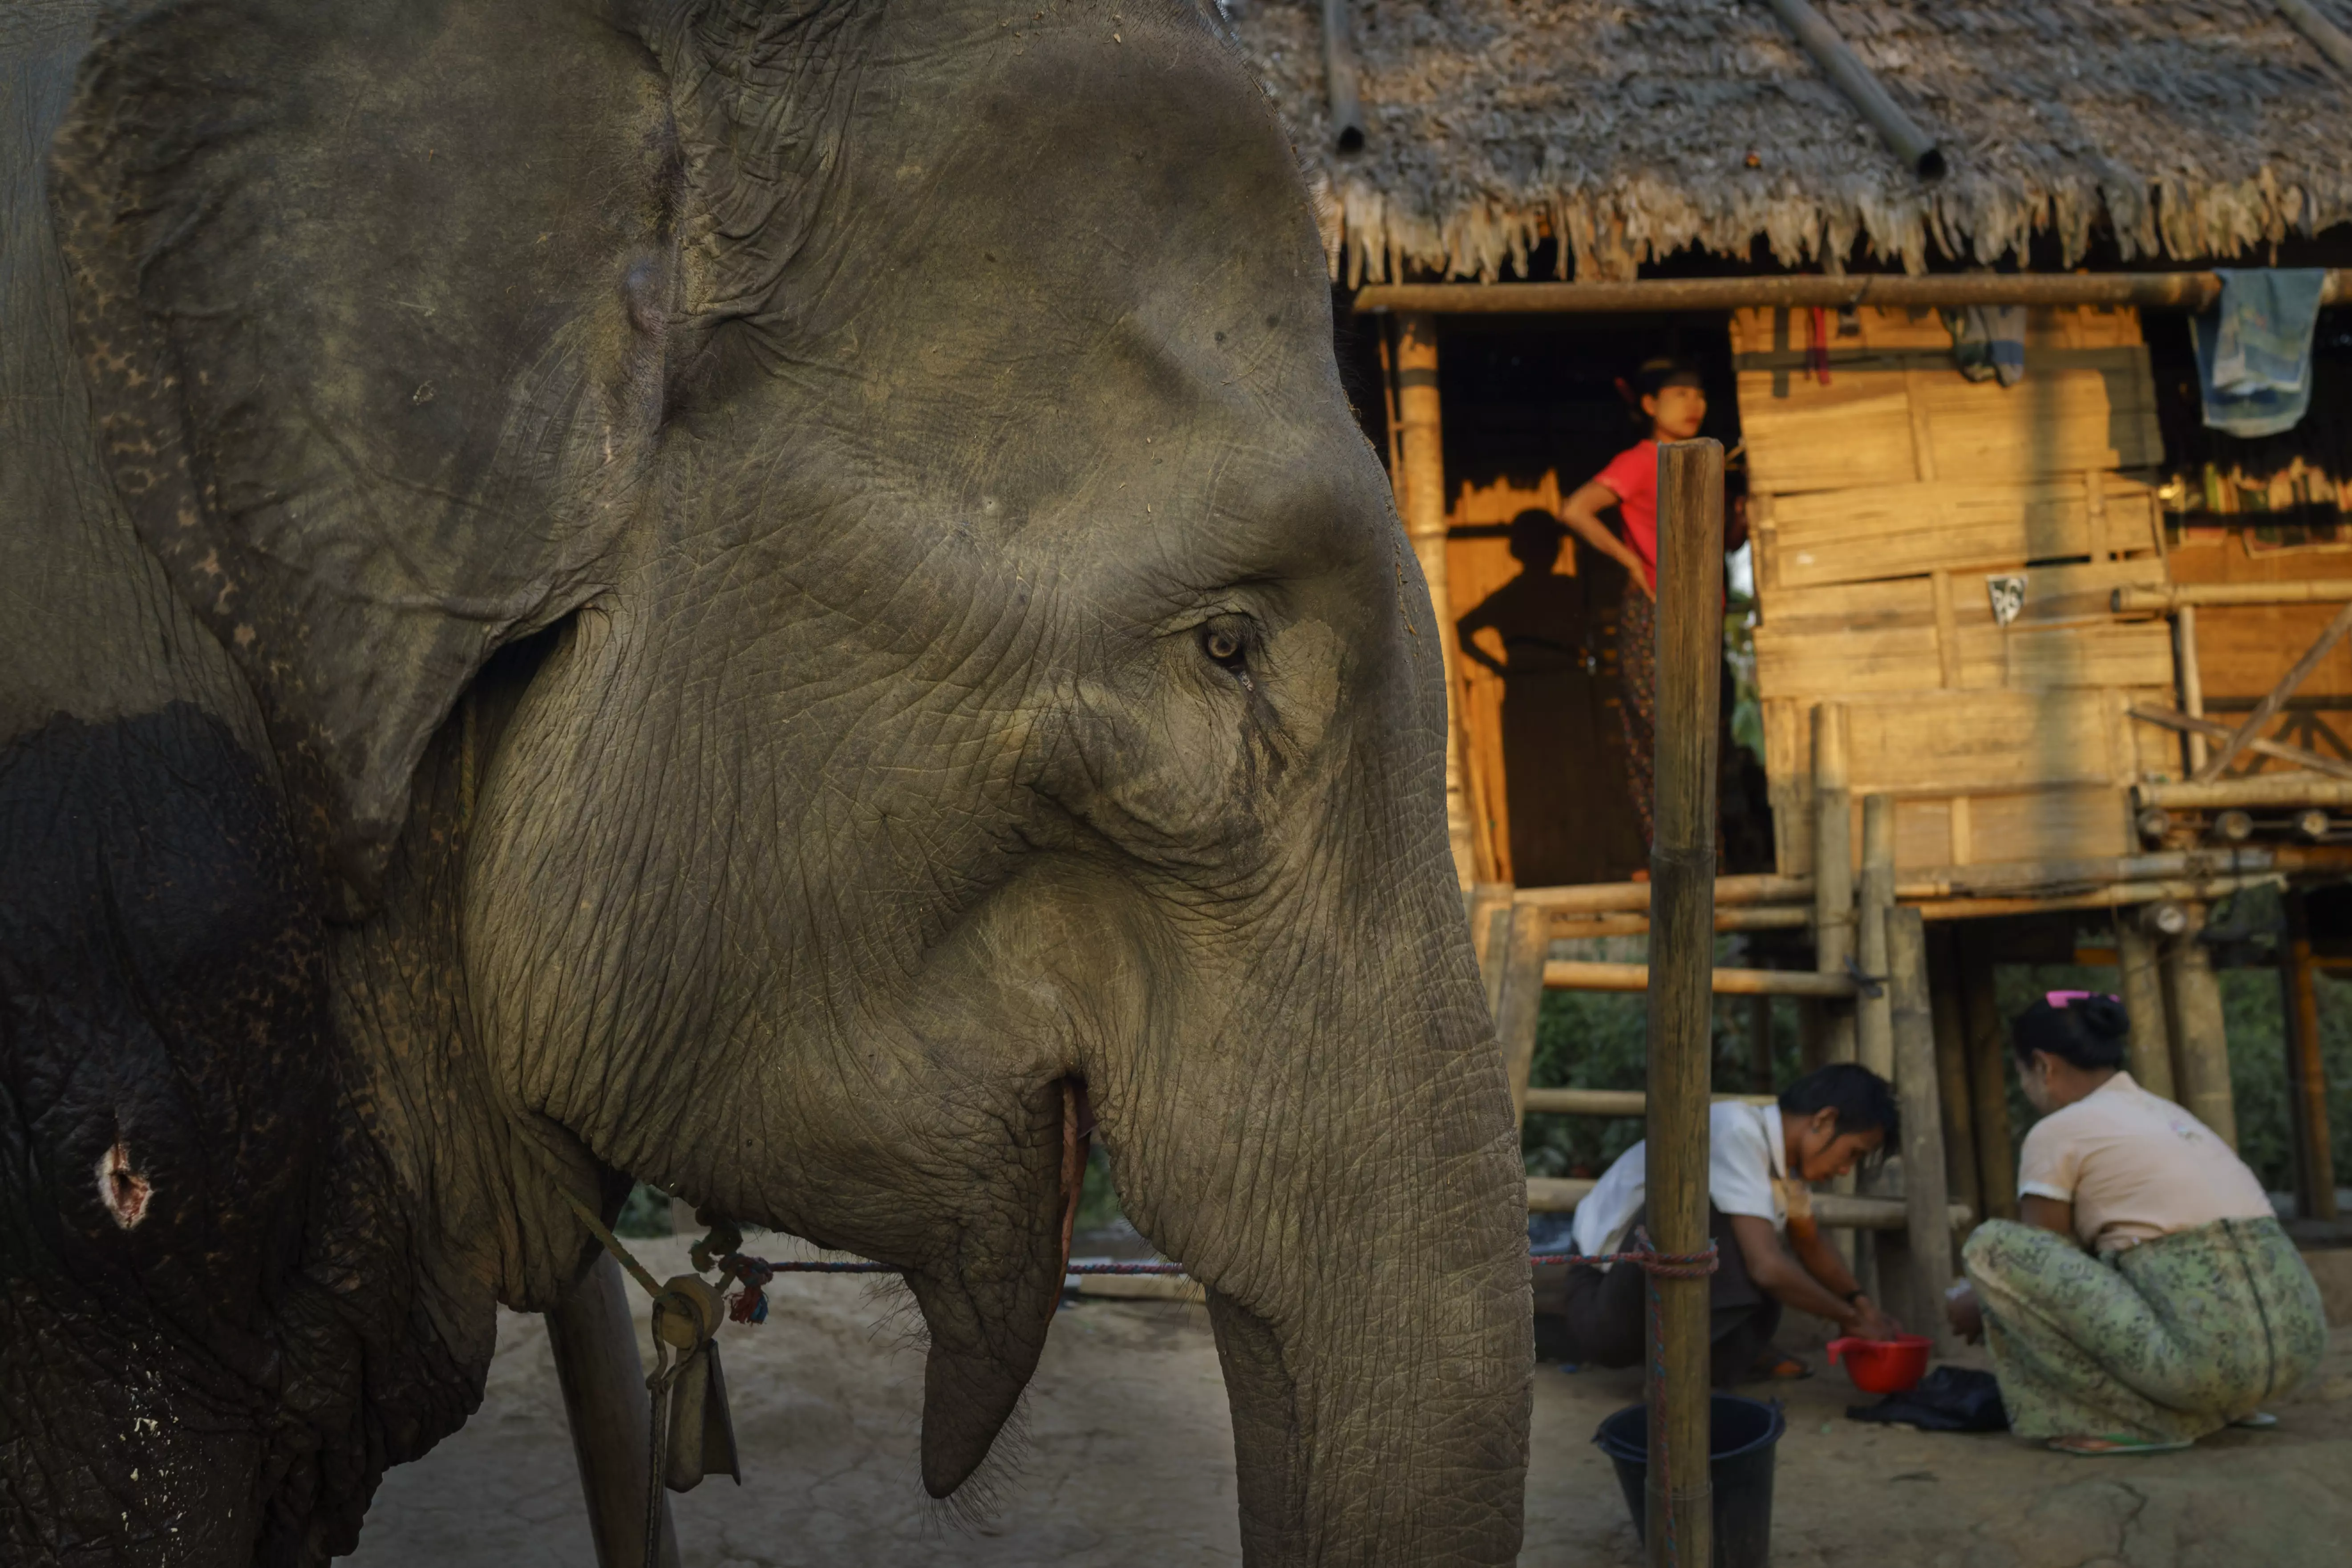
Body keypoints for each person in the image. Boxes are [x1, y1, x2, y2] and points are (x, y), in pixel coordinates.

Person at [1946, 992, 2327, 1455]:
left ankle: (2133, 1419)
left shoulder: (2057, 1129)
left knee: (1992, 1248)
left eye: (2021, 1072)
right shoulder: (2170, 1114)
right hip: (2296, 1349)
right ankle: (2230, 1405)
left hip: (2205, 1364)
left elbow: (2039, 1257)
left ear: (2042, 1066)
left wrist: (1978, 1295)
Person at [1537, 1064, 1906, 1385]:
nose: (1845, 1170)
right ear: (1823, 1120)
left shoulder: (1784, 1170)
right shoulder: (1734, 1131)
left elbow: (1809, 1240)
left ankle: (1718, 1360)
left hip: (1628, 1296)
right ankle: (1683, 1378)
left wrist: (1859, 1303)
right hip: (1601, 1301)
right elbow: (1767, 1268)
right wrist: (1849, 1319)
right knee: (1725, 1226)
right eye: (1853, 1153)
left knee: (1757, 1233)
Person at [1557, 357, 1741, 846]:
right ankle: (1663, 854)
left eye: (1698, 394)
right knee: (1658, 737)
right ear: (1648, 404)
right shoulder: (1640, 461)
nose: (1692, 404)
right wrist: (1631, 562)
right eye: (1678, 394)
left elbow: (1724, 542)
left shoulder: (1707, 461)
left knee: (1705, 738)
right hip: (1654, 610)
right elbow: (1575, 509)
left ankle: (1708, 858)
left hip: (1702, 613)